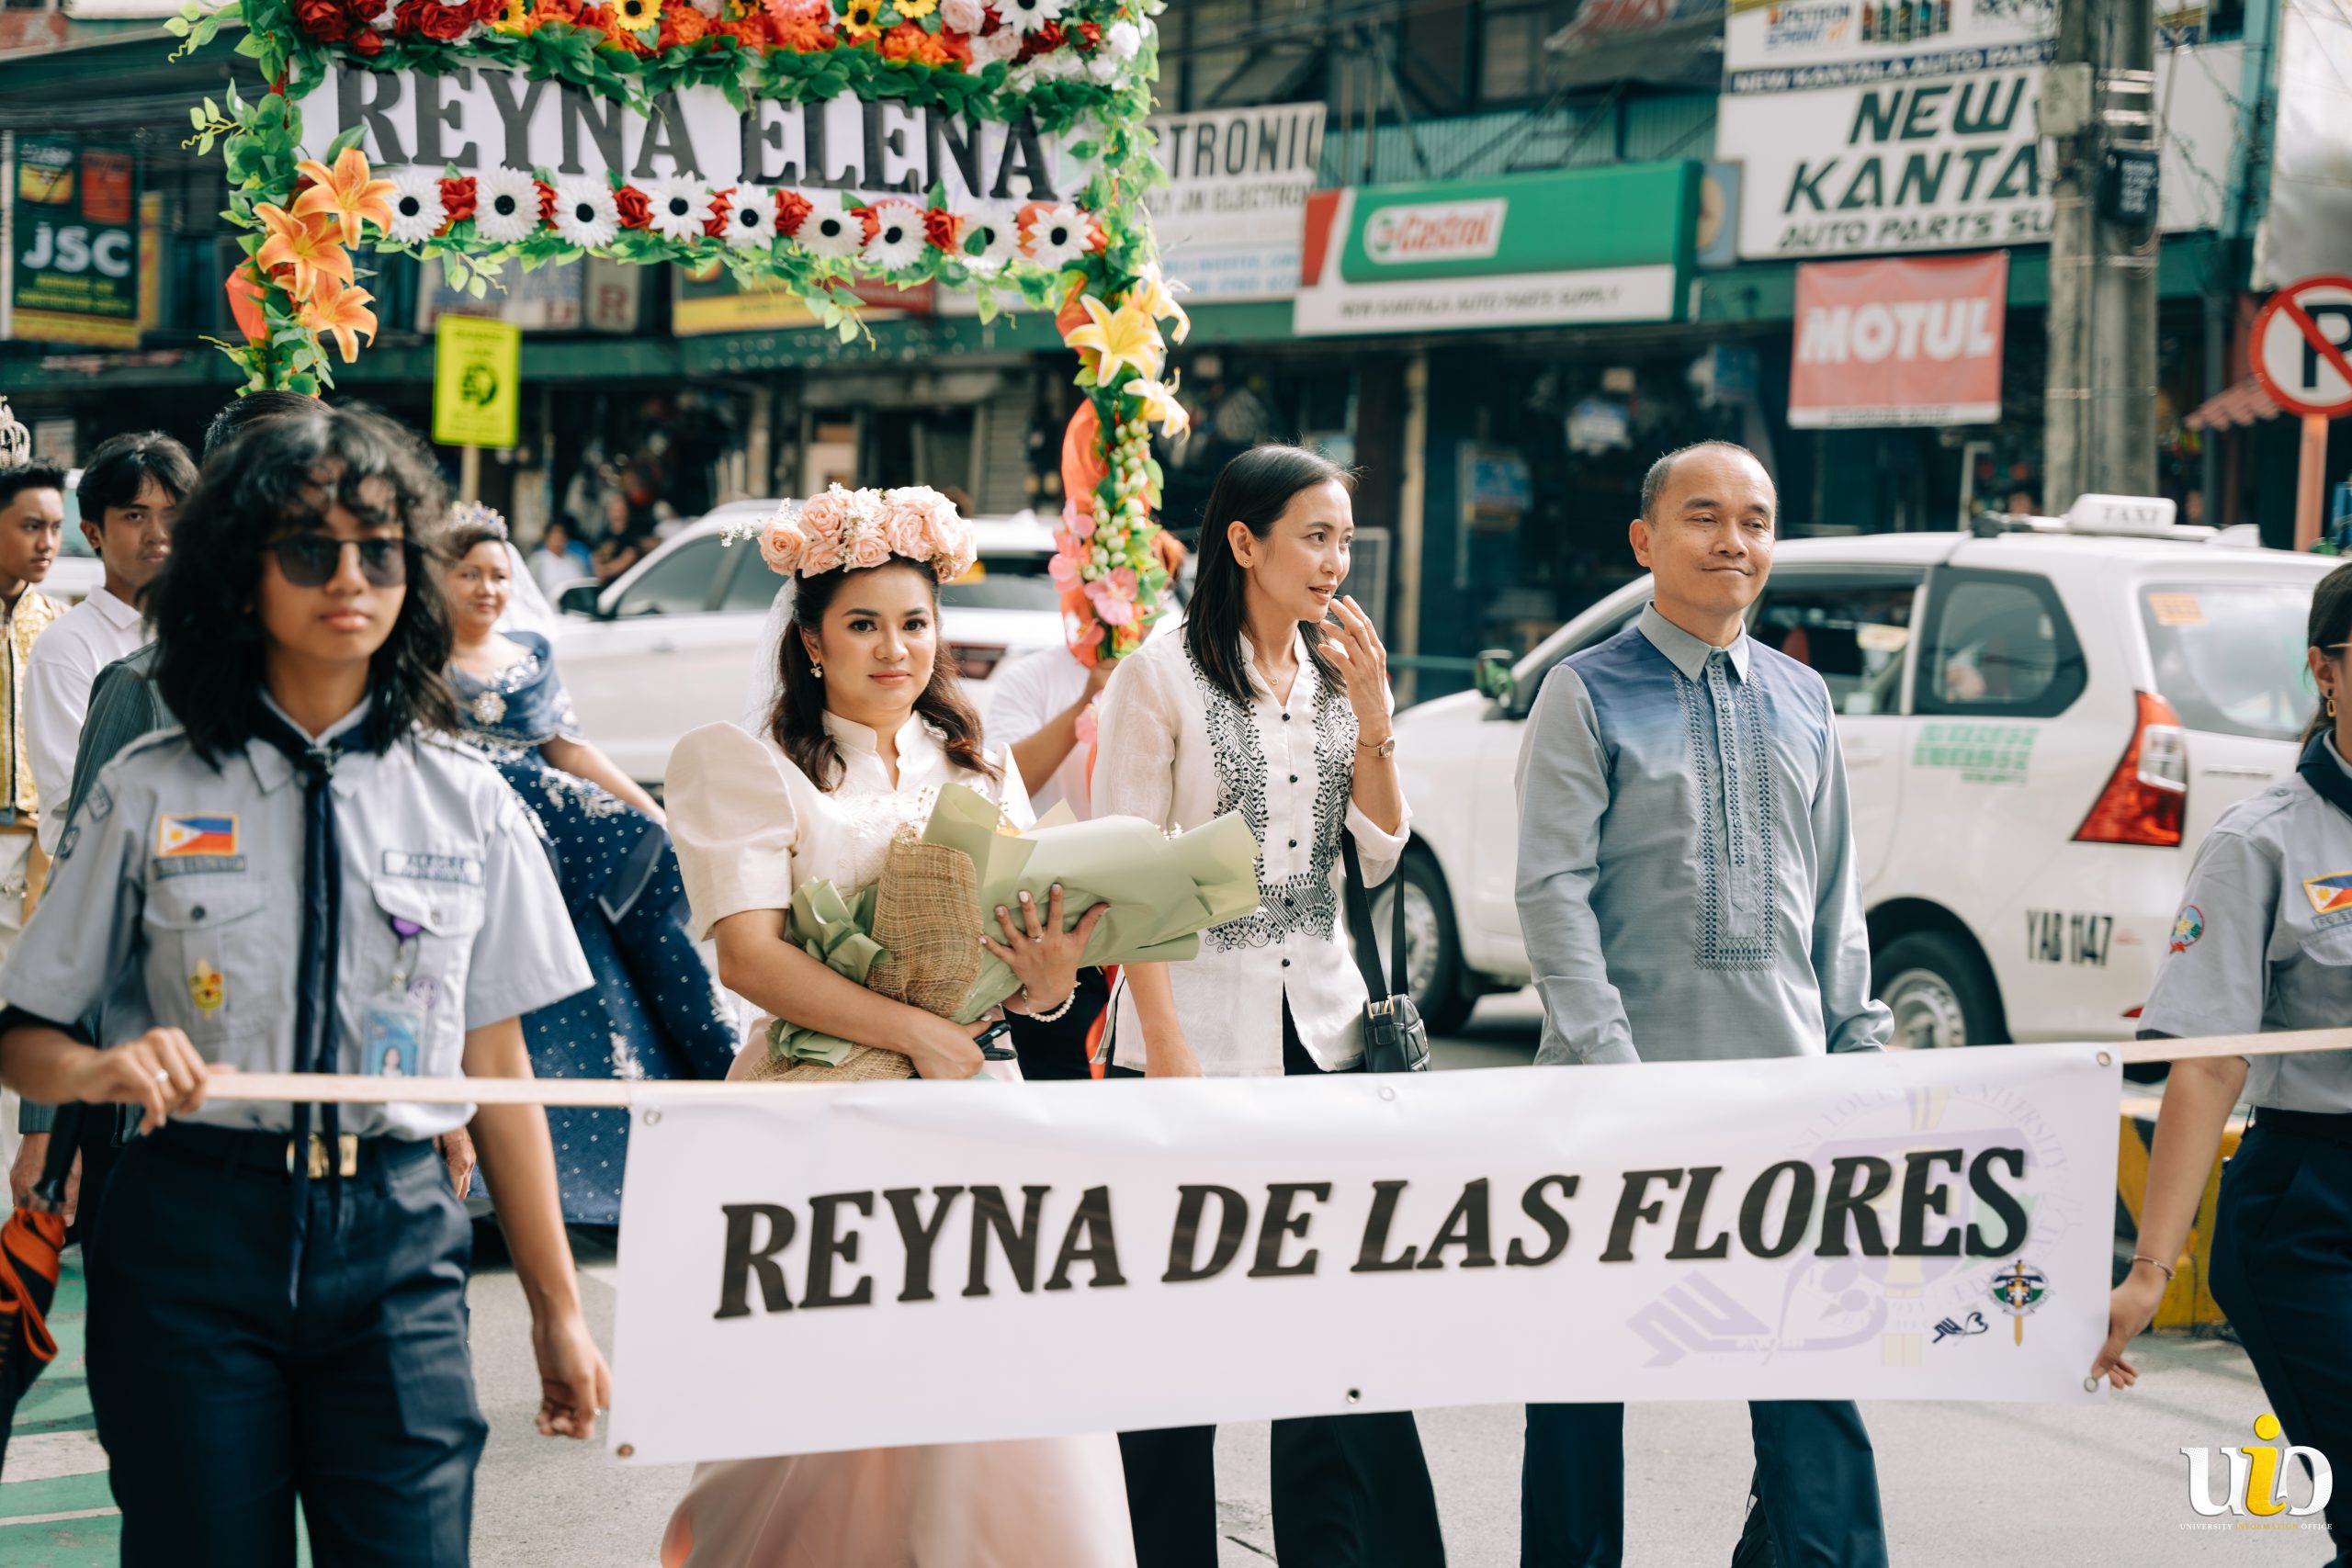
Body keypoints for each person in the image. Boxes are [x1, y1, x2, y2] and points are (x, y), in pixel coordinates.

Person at [0, 405, 611, 1565]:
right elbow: (27, 1034)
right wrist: (100, 1067)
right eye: (306, 550)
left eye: (378, 550)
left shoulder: (469, 800)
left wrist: (557, 1307)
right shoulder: (147, 786)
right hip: (192, 1235)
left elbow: (502, 1069)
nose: (349, 578)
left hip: (396, 1245)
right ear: (242, 574)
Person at [657, 485, 1130, 1566]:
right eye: (862, 624)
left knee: (997, 1404)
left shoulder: (978, 762)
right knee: (808, 1415)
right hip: (816, 1116)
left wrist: (1048, 984)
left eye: (913, 623)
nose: (894, 649)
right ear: (811, 641)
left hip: (974, 1108)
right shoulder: (745, 763)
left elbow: (1010, 952)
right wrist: (911, 1034)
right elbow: (750, 955)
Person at [1512, 441, 1890, 1568]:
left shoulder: (1802, 693)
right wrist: (1612, 1070)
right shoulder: (1585, 691)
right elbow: (1552, 892)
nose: (1733, 541)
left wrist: (1860, 1051)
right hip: (1610, 1113)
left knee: (1809, 1383)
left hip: (1784, 1108)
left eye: (1755, 521)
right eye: (1703, 516)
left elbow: (1835, 898)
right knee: (1584, 1389)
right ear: (1645, 542)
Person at [1090, 445, 1442, 1568]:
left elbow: (1380, 858)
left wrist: (1378, 713)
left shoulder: (1341, 680)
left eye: (1344, 539)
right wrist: (1172, 1054)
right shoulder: (1159, 678)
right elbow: (1128, 878)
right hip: (1194, 1042)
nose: (1336, 561)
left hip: (1325, 1040)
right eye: (1315, 537)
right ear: (1242, 543)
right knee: (1178, 1337)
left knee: (1326, 1330)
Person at [2093, 560, 2352, 1552]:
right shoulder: (2262, 844)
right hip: (2309, 1217)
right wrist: (2151, 1271)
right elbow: (2208, 1066)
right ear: (2323, 672)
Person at [14, 398, 312, 1220]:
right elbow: (80, 876)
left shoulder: (375, 705)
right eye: (133, 515)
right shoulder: (127, 678)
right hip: (162, 1102)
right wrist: (47, 1128)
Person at [443, 504, 735, 1224]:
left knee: (647, 855)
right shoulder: (409, 654)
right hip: (459, 824)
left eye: (499, 575)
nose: (487, 588)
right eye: (469, 573)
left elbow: (571, 749)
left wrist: (656, 815)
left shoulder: (529, 653)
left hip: (550, 829)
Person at [983, 532, 1188, 1079]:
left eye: (1147, 581)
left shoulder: (1179, 671)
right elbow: (1006, 784)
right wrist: (1085, 699)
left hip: (1150, 920)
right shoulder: (1031, 678)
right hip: (1059, 921)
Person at [25, 431, 195, 857]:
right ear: (93, 532)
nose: (158, 534)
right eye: (135, 516)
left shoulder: (210, 633)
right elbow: (82, 805)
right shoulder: (67, 647)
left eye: (173, 516)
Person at [0, 462, 63, 1180]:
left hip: (32, 858)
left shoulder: (55, 626)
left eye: (54, 527)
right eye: (30, 526)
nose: (46, 543)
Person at [530, 518, 594, 599]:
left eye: (561, 534)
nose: (558, 537)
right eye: (555, 534)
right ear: (547, 537)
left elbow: (585, 588)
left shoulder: (575, 561)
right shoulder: (537, 561)